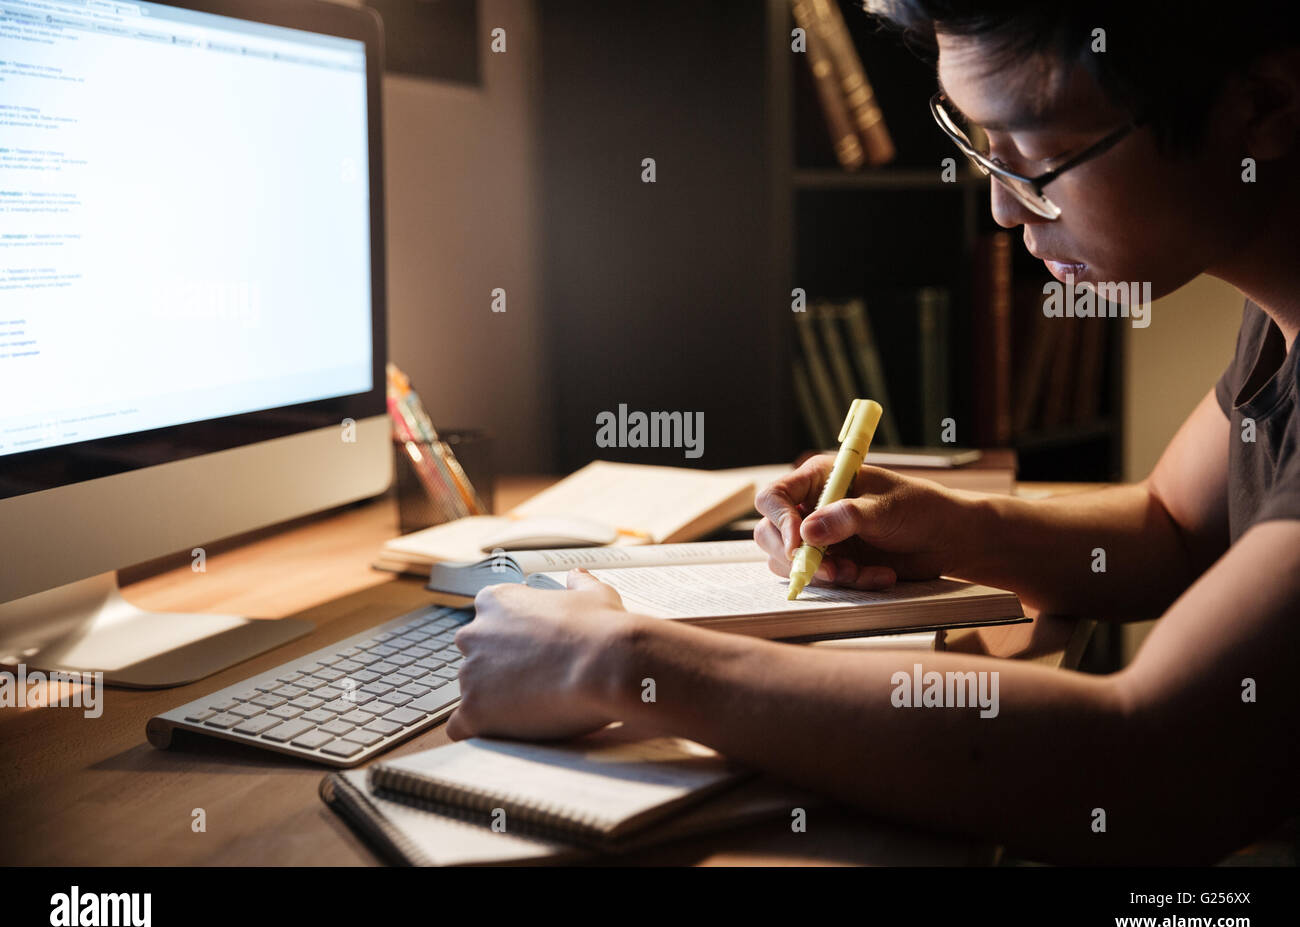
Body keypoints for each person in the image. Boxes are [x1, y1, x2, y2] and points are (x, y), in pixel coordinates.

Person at [446, 0, 1300, 863]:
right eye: (977, 146)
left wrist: (619, 664)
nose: (1004, 210)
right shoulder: (1278, 317)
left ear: (1262, 106)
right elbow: (1179, 530)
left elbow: (1154, 765)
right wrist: (956, 527)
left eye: (1037, 158)